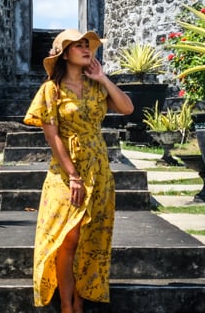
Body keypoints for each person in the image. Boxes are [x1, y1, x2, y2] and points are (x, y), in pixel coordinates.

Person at [24, 29, 134, 313]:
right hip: (66, 171)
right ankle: (65, 305)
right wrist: (73, 175)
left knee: (90, 236)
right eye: (79, 46)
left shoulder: (97, 87)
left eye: (89, 45)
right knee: (68, 236)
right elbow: (53, 137)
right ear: (65, 53)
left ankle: (79, 301)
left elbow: (127, 108)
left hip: (98, 167)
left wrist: (103, 78)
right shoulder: (51, 90)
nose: (87, 50)